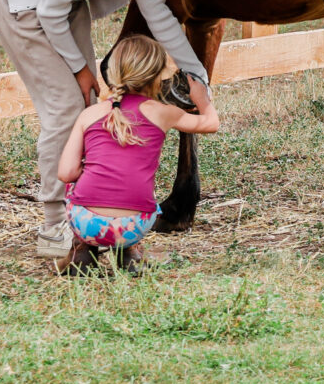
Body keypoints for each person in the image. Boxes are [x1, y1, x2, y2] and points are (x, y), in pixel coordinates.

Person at [0, 0, 212, 261]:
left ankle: (87, 212)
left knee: (90, 107)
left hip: (65, 5)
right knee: (65, 109)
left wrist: (195, 71)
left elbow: (158, 14)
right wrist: (79, 69)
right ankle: (53, 226)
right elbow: (48, 12)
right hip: (26, 4)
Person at [58, 34, 220, 272]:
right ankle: (129, 252)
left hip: (87, 225)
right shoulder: (163, 112)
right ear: (159, 75)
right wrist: (201, 99)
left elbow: (65, 172)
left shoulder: (89, 114)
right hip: (135, 226)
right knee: (134, 181)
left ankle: (83, 252)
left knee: (73, 183)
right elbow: (211, 123)